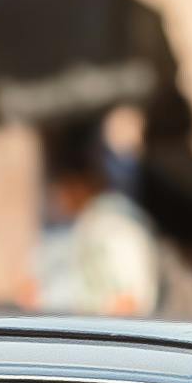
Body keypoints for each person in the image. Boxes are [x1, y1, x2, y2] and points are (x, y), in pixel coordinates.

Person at [30, 117, 164, 316]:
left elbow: (131, 299)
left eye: (62, 188)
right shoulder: (87, 223)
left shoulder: (114, 224)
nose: (59, 198)